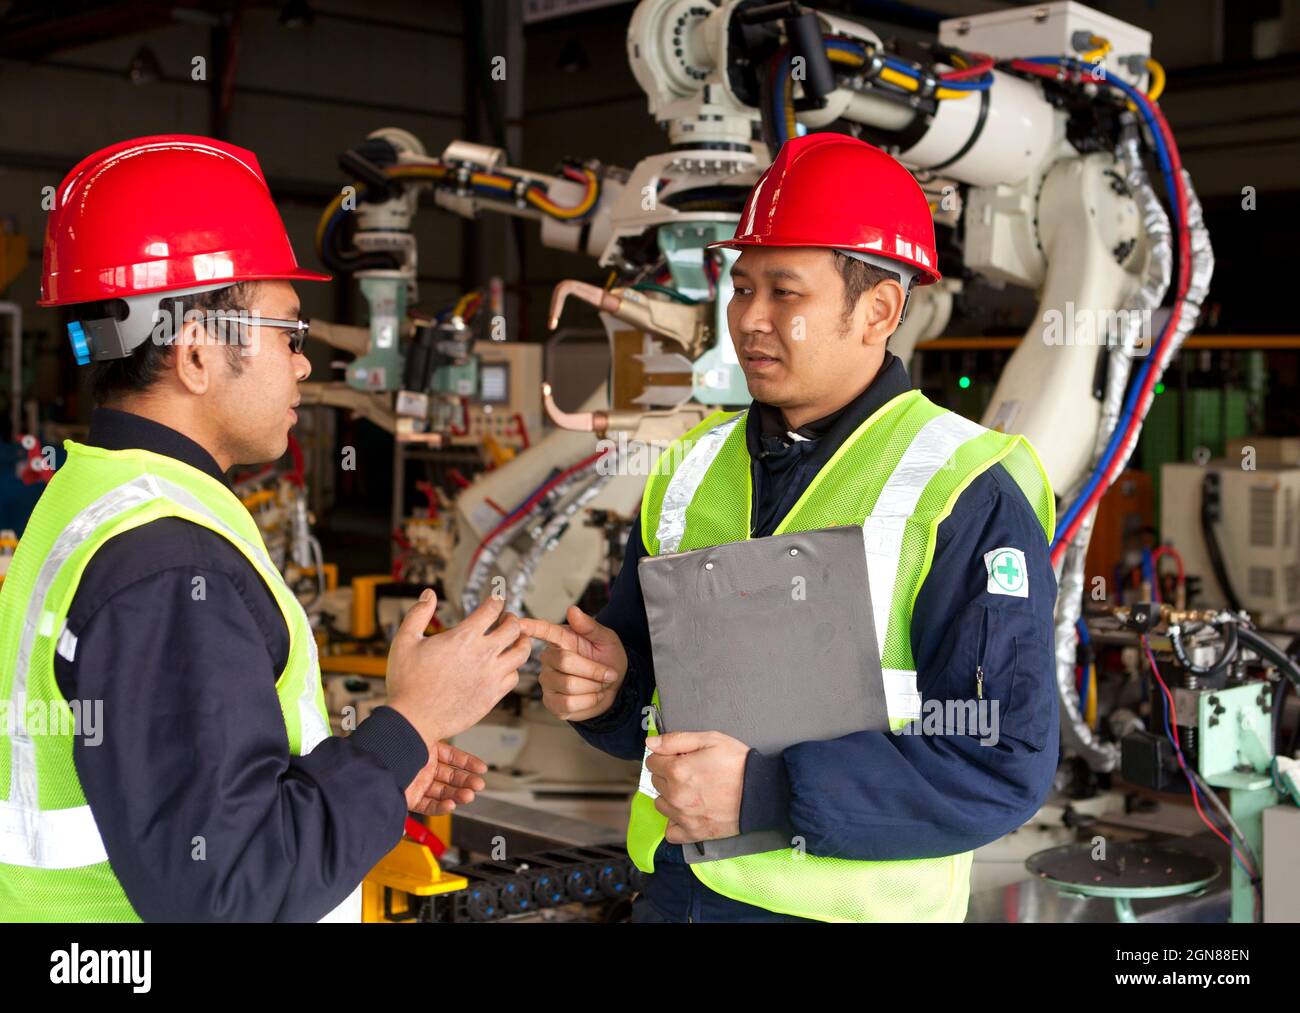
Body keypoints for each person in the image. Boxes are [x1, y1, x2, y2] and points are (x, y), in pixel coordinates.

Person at [523, 133, 1059, 923]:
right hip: (677, 896)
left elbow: (999, 761)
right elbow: (651, 693)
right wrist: (603, 689)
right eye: (741, 288)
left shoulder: (962, 490)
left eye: (785, 292)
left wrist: (766, 791)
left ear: (879, 309)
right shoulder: (689, 468)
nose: (749, 319)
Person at [0, 134, 529, 922]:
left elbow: (217, 802)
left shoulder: (93, 491)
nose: (304, 364)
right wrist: (417, 716)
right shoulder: (167, 562)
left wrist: (384, 759)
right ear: (197, 354)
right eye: (289, 332)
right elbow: (229, 889)